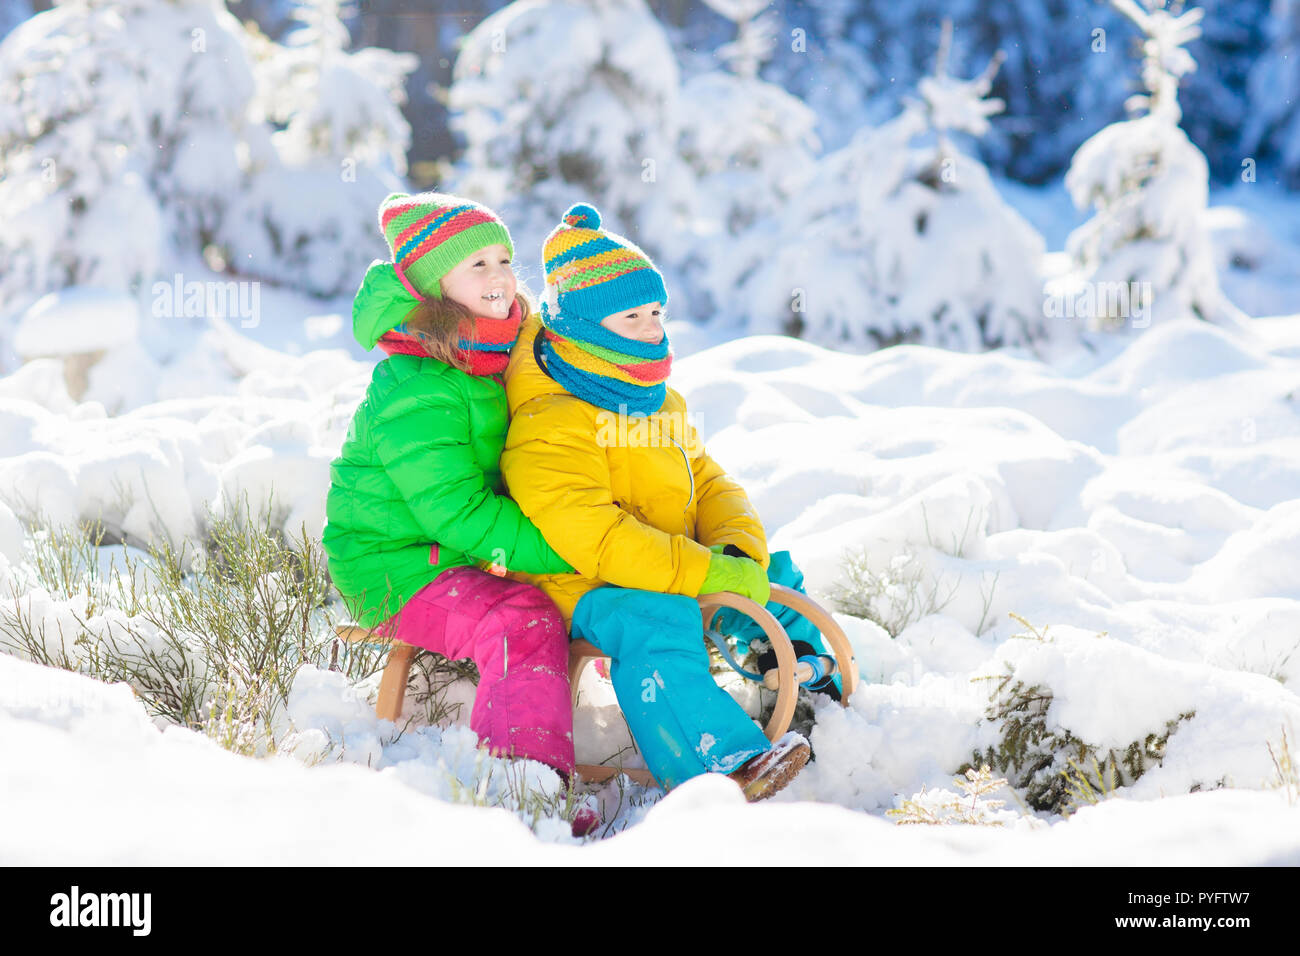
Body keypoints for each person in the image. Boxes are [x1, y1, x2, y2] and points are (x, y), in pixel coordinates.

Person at [499, 203, 838, 800]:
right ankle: (717, 768)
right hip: (585, 584)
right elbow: (597, 538)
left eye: (656, 311)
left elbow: (708, 482)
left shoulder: (656, 400)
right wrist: (703, 571)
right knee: (653, 622)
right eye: (632, 317)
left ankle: (813, 688)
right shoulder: (549, 421)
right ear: (584, 328)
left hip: (669, 563)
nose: (652, 328)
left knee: (771, 574)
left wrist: (733, 549)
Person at [323, 192, 578, 779]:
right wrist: (565, 548)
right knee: (521, 620)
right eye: (477, 264)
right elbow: (455, 510)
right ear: (434, 289)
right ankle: (523, 779)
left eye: (504, 259)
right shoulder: (418, 384)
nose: (499, 276)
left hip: (456, 550)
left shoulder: (498, 352)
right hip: (396, 565)